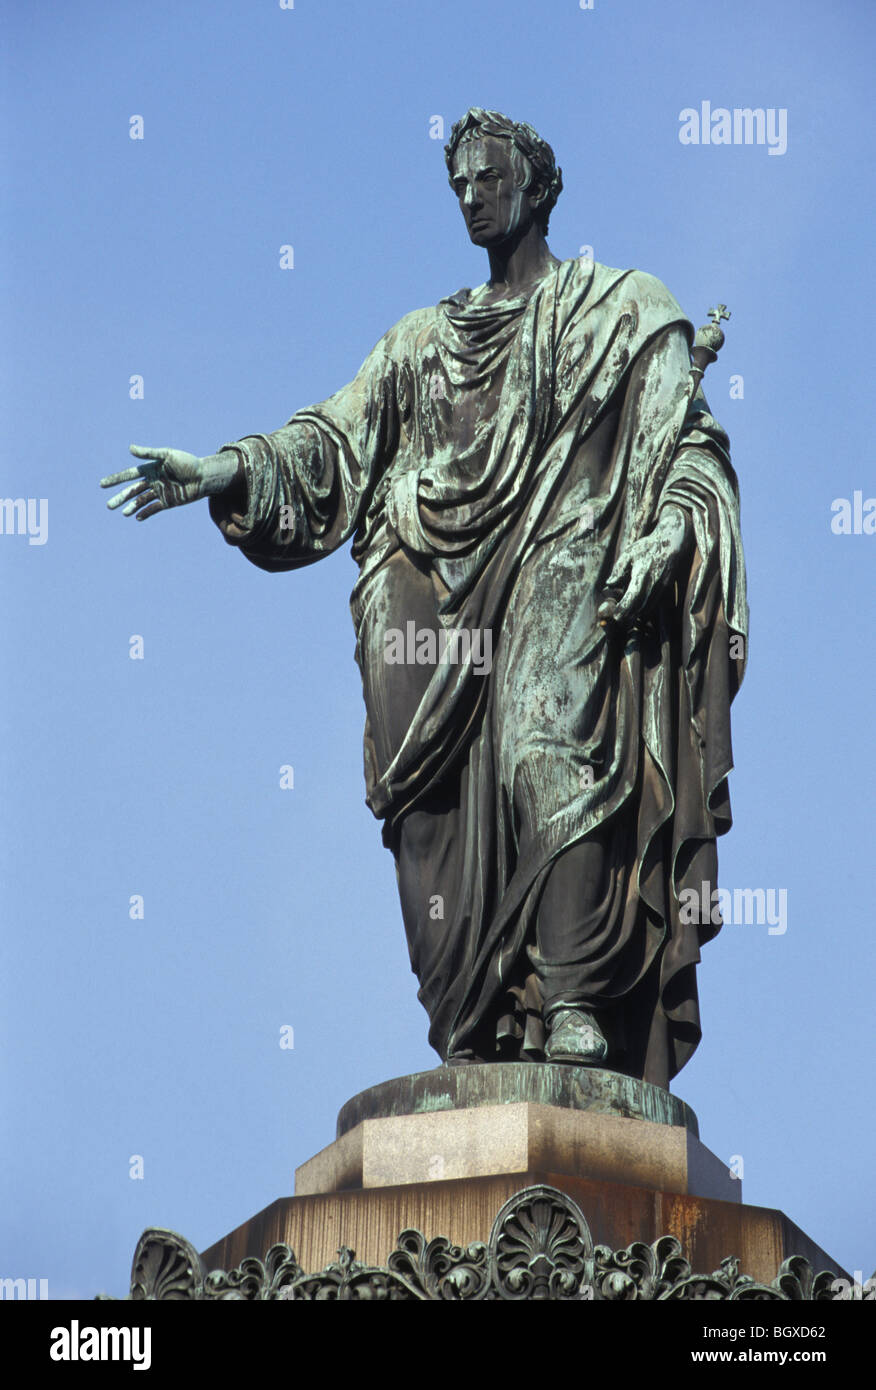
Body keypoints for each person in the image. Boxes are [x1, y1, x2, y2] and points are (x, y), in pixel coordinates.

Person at [102, 108, 747, 1087]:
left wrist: (665, 534)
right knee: (429, 818)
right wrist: (224, 469)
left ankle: (572, 998)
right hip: (431, 616)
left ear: (536, 187)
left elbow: (688, 447)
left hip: (567, 563)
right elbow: (331, 444)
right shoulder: (419, 343)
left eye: (487, 179)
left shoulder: (620, 310)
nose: (470, 197)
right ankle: (485, 1016)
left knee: (547, 747)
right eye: (457, 186)